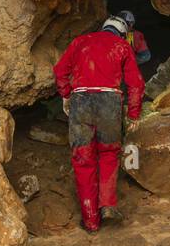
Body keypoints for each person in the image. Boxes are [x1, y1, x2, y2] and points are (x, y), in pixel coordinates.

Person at [53, 14, 145, 232]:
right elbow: (136, 84)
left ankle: (91, 221)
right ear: (122, 33)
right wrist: (133, 115)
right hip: (109, 103)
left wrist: (66, 95)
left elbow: (60, 72)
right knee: (109, 154)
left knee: (83, 159)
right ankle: (107, 204)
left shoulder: (80, 41)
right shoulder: (122, 46)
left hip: (81, 101)